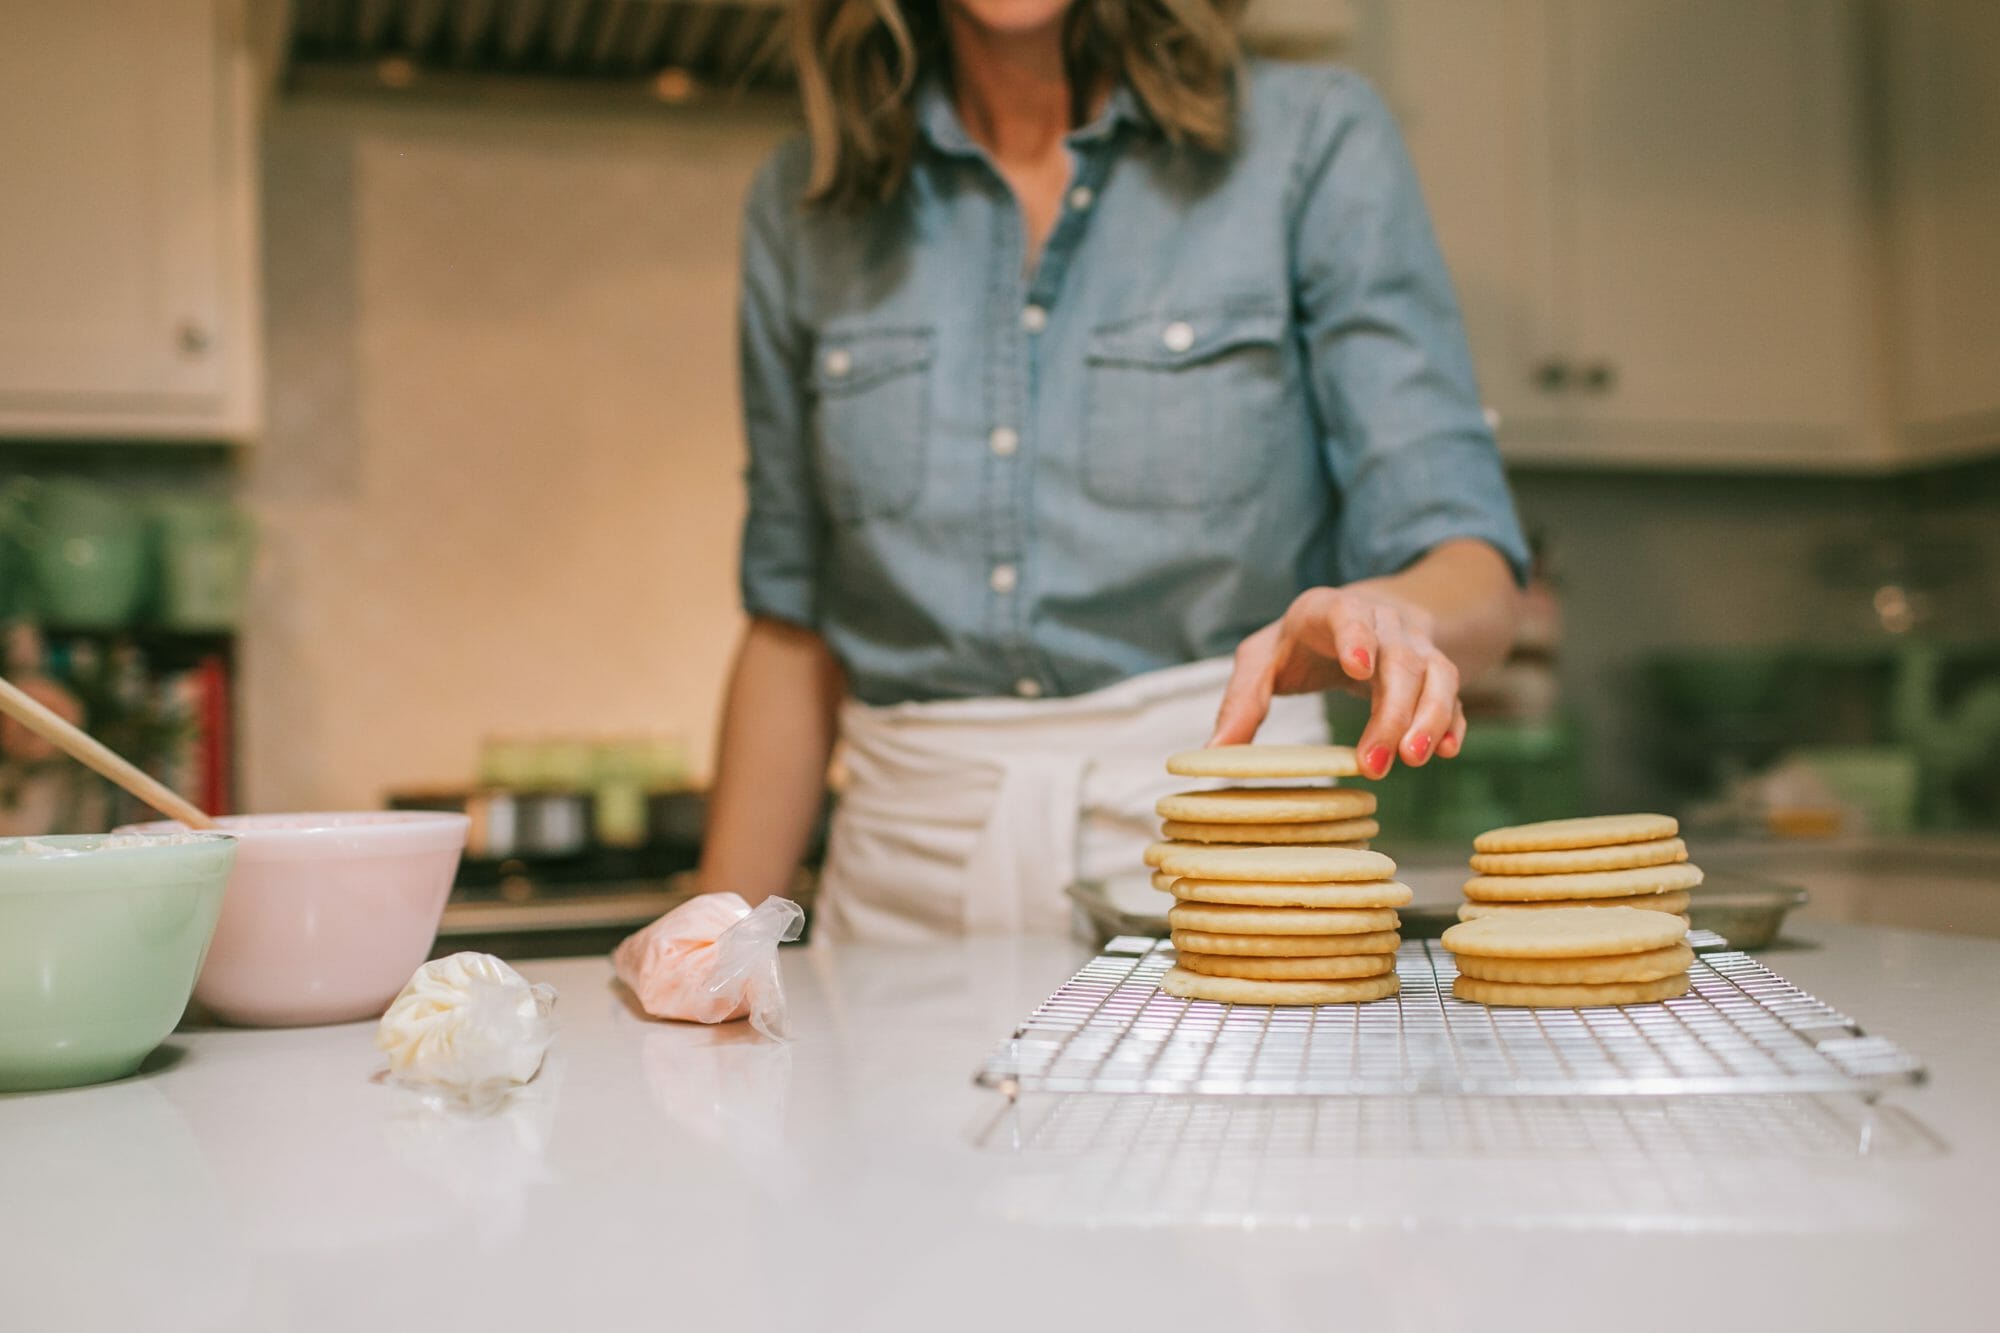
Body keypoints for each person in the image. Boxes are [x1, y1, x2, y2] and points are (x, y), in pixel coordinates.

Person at [697, 0, 1527, 940]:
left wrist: (1394, 619)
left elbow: (1473, 569)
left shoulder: (1311, 142)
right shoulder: (804, 199)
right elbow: (791, 632)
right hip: (901, 904)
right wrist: (708, 942)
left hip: (1238, 870)